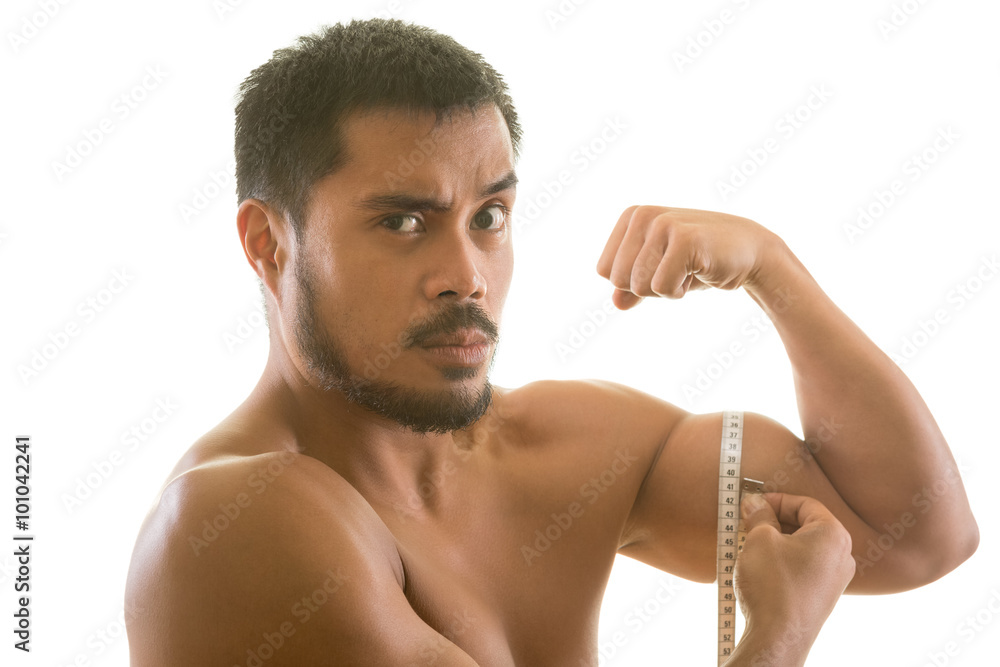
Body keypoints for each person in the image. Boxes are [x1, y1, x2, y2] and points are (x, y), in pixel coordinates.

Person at [124, 18, 978, 666]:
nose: (466, 273)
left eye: (488, 216)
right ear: (269, 243)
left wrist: (771, 266)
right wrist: (778, 635)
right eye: (402, 221)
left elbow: (914, 533)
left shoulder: (569, 448)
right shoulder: (230, 524)